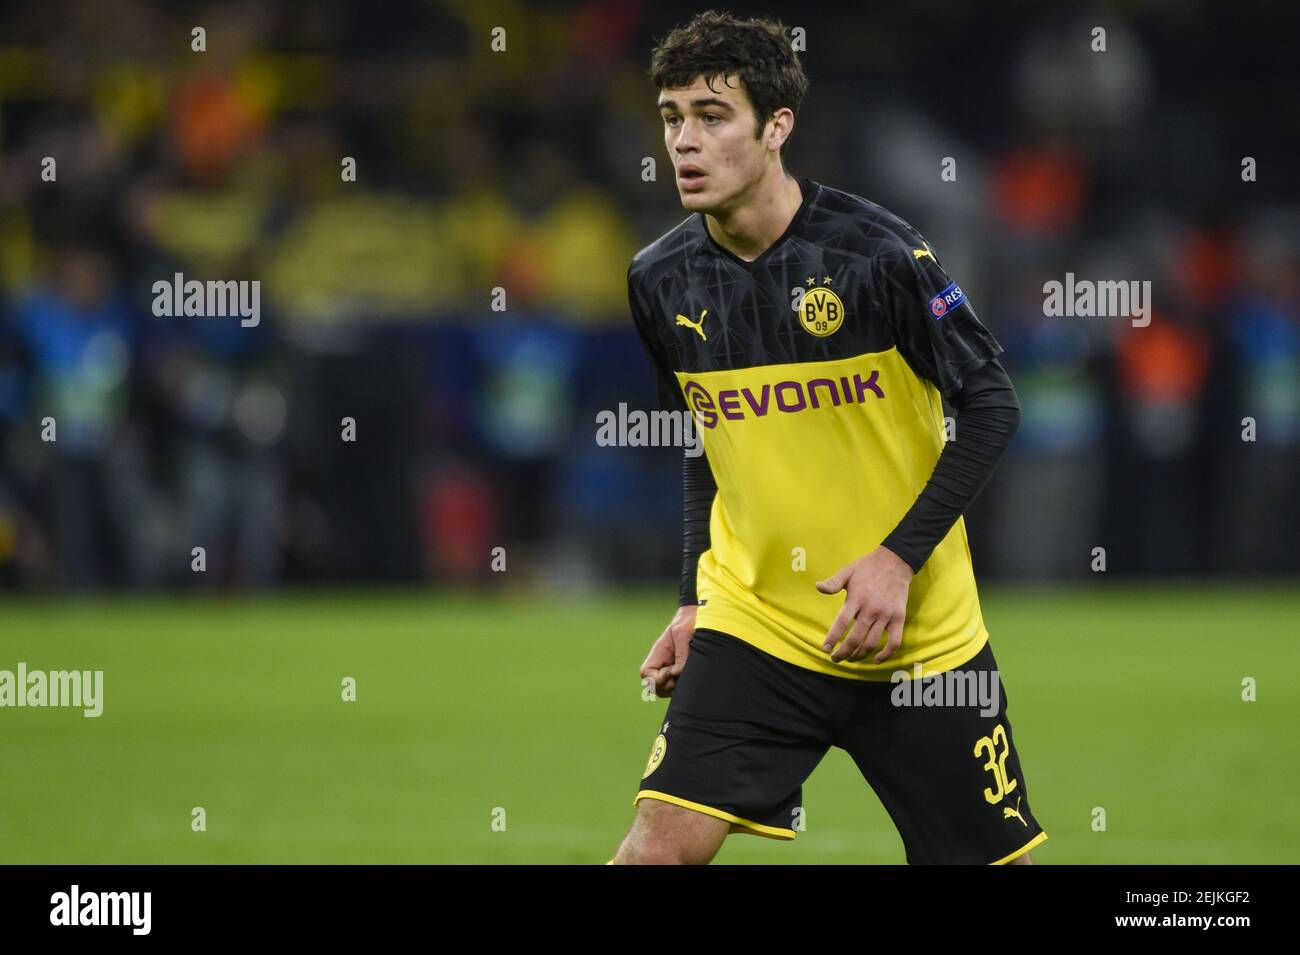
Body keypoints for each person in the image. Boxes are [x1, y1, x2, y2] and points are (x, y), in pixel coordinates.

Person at [610, 10, 1045, 865]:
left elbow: (993, 404)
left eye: (711, 116)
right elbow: (706, 442)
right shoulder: (659, 278)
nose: (684, 142)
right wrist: (699, 595)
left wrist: (897, 559)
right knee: (655, 852)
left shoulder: (876, 255)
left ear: (776, 128)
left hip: (919, 638)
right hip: (759, 629)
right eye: (671, 118)